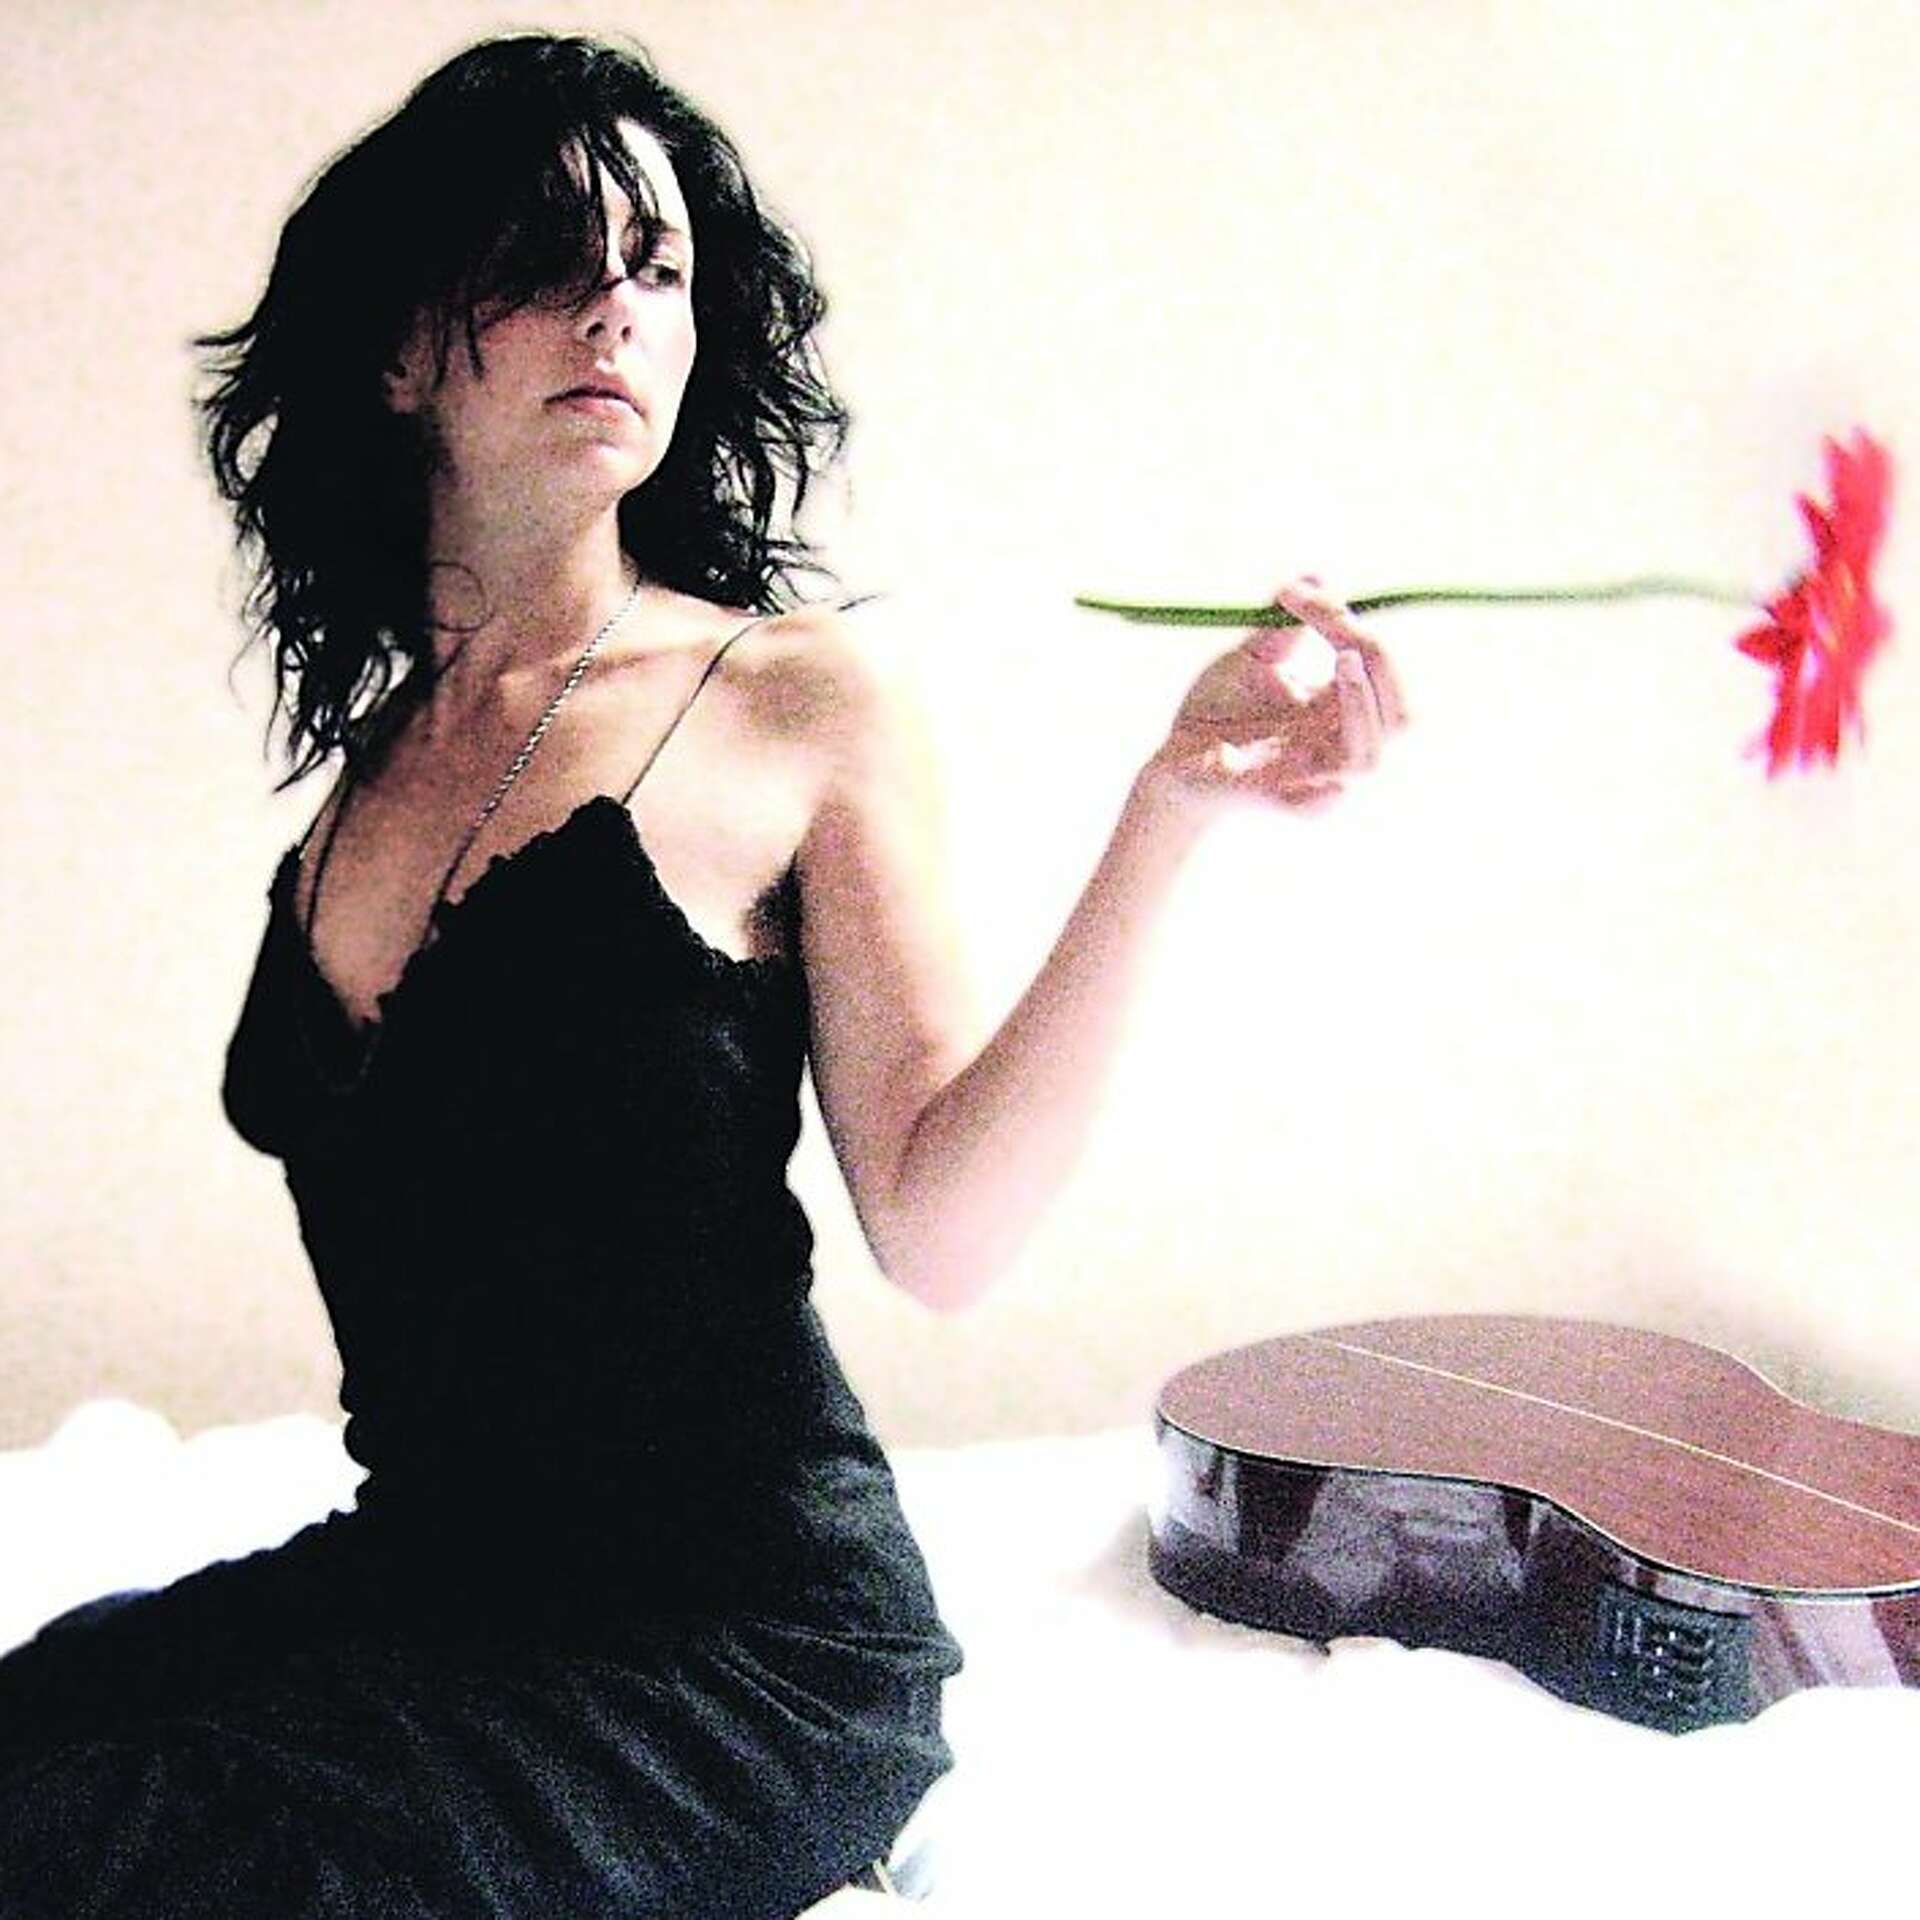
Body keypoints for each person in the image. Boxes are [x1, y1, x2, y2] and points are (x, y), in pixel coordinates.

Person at [0, 29, 1405, 1918]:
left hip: (739, 1654)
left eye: (656, 268)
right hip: (429, 1588)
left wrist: (1167, 814)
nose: (616, 308)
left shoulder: (790, 700)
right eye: (548, 260)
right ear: (404, 350)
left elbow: (943, 1229)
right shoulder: (368, 782)